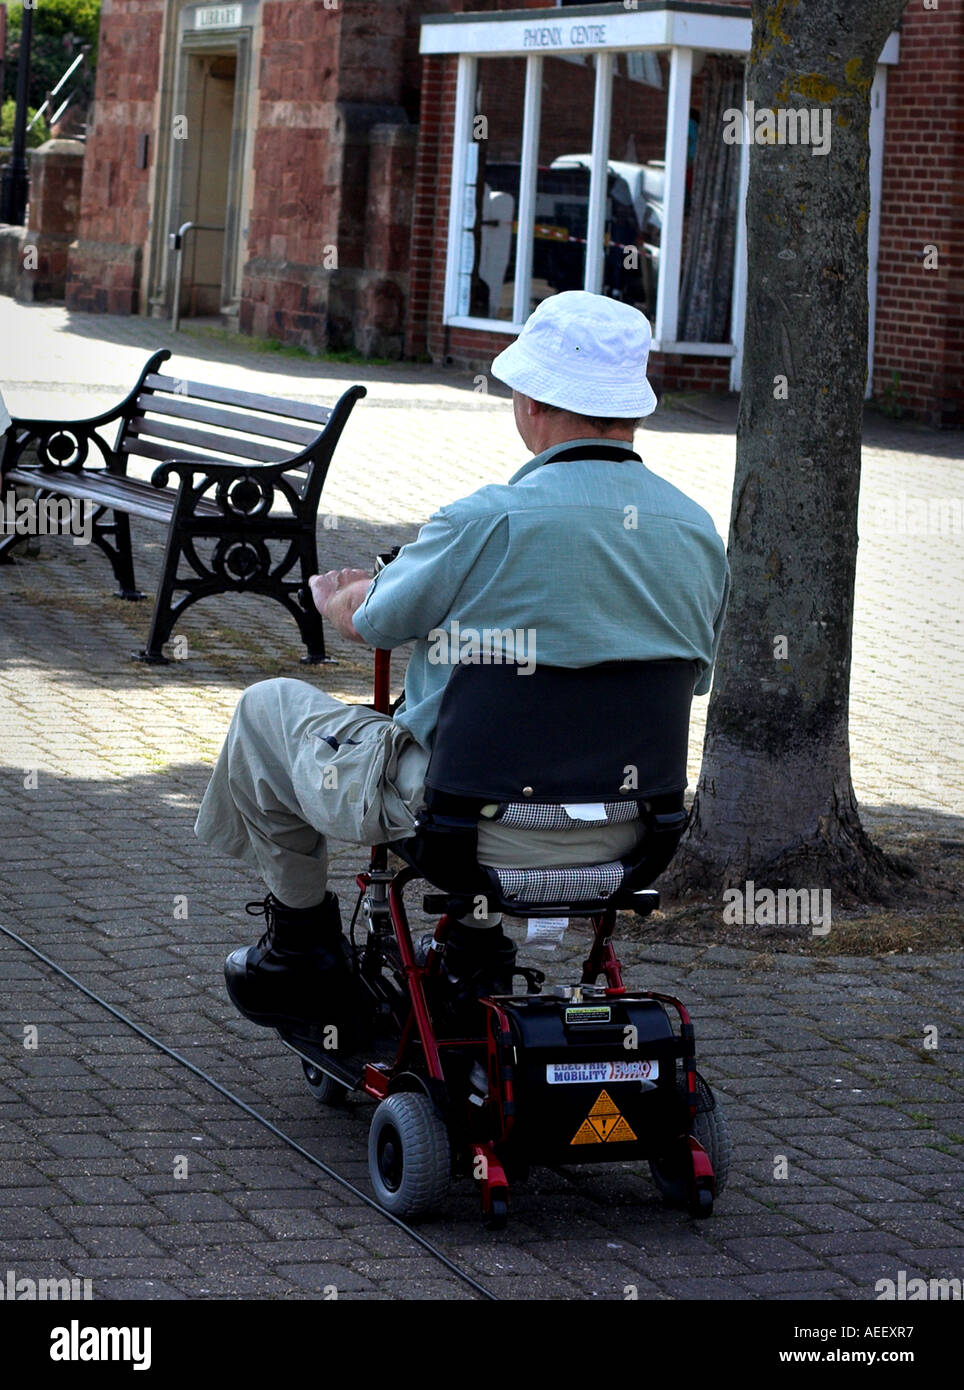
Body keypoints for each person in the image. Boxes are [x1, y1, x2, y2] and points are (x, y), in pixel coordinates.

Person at [195, 291, 729, 1037]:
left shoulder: (485, 519)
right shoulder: (695, 530)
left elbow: (378, 622)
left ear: (532, 401)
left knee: (267, 711)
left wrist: (338, 596)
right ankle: (475, 943)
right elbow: (684, 679)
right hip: (630, 832)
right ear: (631, 409)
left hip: (467, 827)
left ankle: (301, 949)